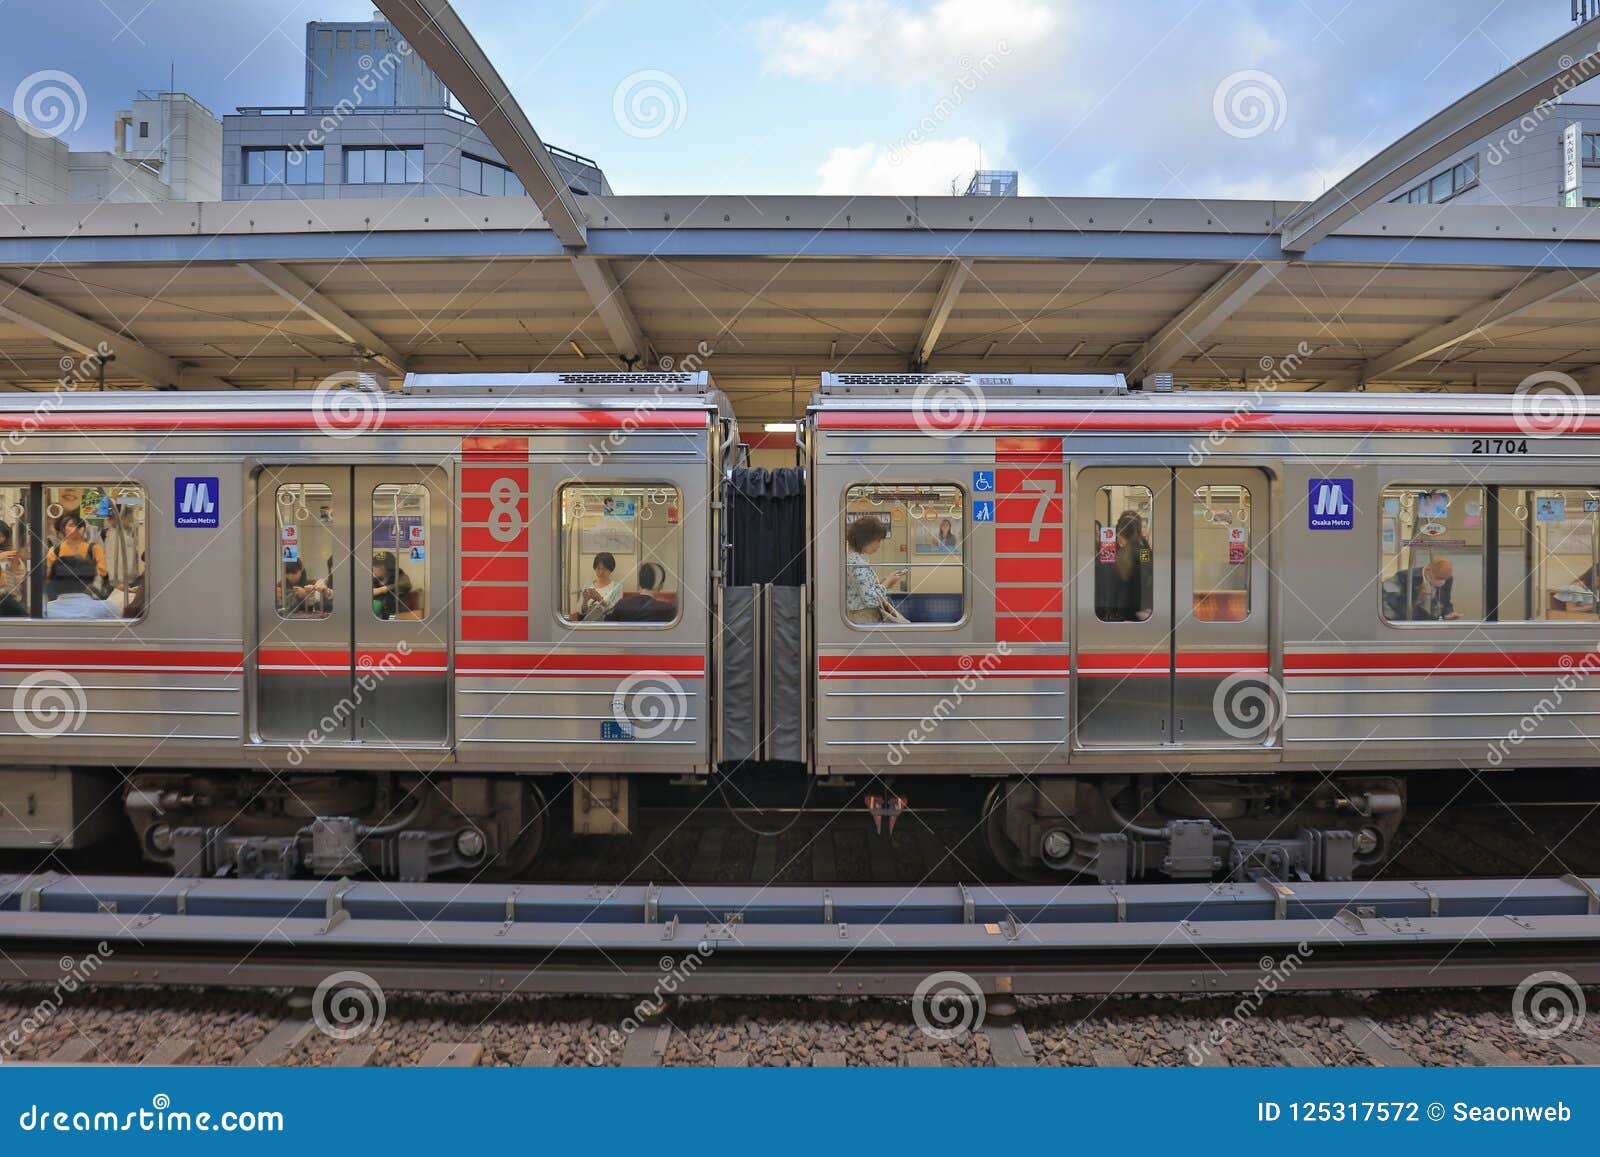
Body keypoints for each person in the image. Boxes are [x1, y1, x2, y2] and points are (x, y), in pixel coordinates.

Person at [845, 517, 908, 624]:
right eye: (878, 540)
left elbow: (863, 590)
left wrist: (883, 582)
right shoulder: (858, 564)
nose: (879, 545)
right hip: (864, 617)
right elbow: (871, 600)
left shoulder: (854, 559)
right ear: (866, 539)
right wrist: (887, 584)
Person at [1095, 510, 1153, 622]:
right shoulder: (1143, 548)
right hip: (1135, 607)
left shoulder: (1109, 540)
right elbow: (1147, 572)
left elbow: (1105, 572)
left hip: (1117, 605)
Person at [44, 513, 108, 597]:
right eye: (71, 525)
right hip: (61, 592)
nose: (76, 528)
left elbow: (103, 571)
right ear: (63, 529)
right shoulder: (55, 550)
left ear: (83, 529)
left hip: (89, 592)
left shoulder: (94, 548)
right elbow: (48, 573)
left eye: (79, 526)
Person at [1384, 557, 1458, 621]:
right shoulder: (1404, 577)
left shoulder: (1447, 579)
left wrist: (1448, 613)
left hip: (1431, 623)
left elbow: (1446, 601)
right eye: (1436, 578)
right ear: (1428, 570)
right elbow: (1393, 603)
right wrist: (1418, 596)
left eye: (1444, 579)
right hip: (1405, 621)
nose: (1442, 582)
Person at [607, 561, 676, 622]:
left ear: (639, 583)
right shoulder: (667, 609)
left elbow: (610, 625)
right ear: (660, 586)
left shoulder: (621, 604)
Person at [577, 552, 623, 620]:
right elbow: (581, 612)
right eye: (598, 568)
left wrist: (600, 600)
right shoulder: (587, 585)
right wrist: (585, 601)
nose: (601, 572)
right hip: (587, 625)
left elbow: (616, 610)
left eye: (604, 569)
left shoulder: (617, 586)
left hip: (606, 625)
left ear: (611, 569)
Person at [370, 551, 413, 620]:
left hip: (395, 614)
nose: (373, 568)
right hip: (377, 616)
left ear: (385, 568)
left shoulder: (400, 576)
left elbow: (406, 584)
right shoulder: (375, 580)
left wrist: (382, 590)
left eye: (377, 566)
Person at [0, 523, 27, 616]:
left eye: (2, 536)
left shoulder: (7, 553)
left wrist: (16, 565)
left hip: (10, 599)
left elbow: (18, 579)